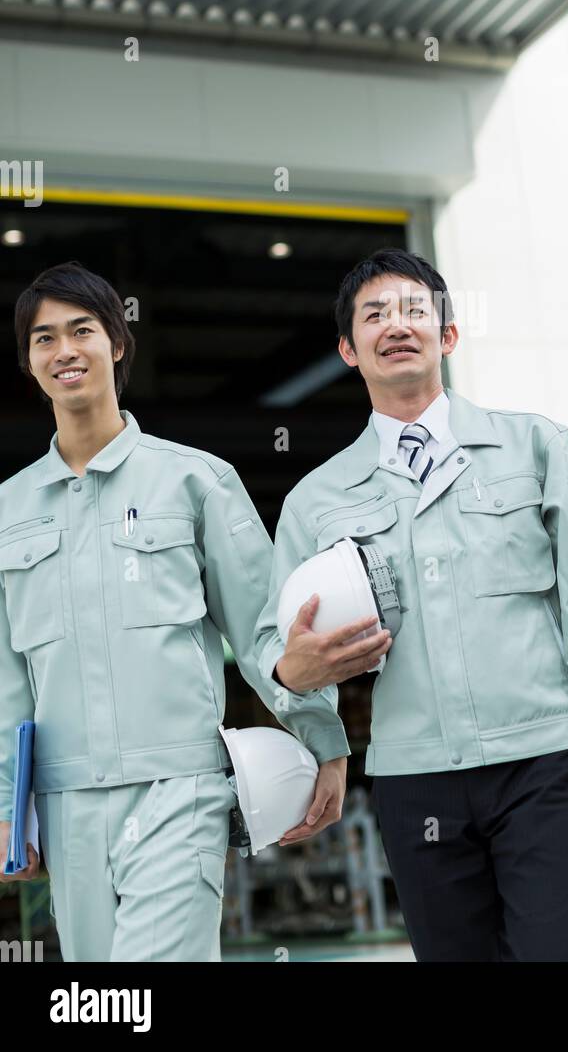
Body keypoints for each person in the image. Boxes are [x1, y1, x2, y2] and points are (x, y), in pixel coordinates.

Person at [256, 248, 568, 962]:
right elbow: (271, 647)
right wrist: (313, 716)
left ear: (448, 335)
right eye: (373, 315)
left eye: (414, 310)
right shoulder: (317, 499)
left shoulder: (534, 447)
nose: (395, 325)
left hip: (542, 760)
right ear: (348, 348)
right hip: (414, 775)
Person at [0, 261, 350, 961]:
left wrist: (325, 738)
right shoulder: (9, 508)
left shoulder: (197, 479)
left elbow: (263, 630)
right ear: (29, 362)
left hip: (179, 789)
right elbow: (8, 679)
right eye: (45, 339)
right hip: (66, 802)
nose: (65, 350)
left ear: (118, 344)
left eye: (83, 330)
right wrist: (12, 812)